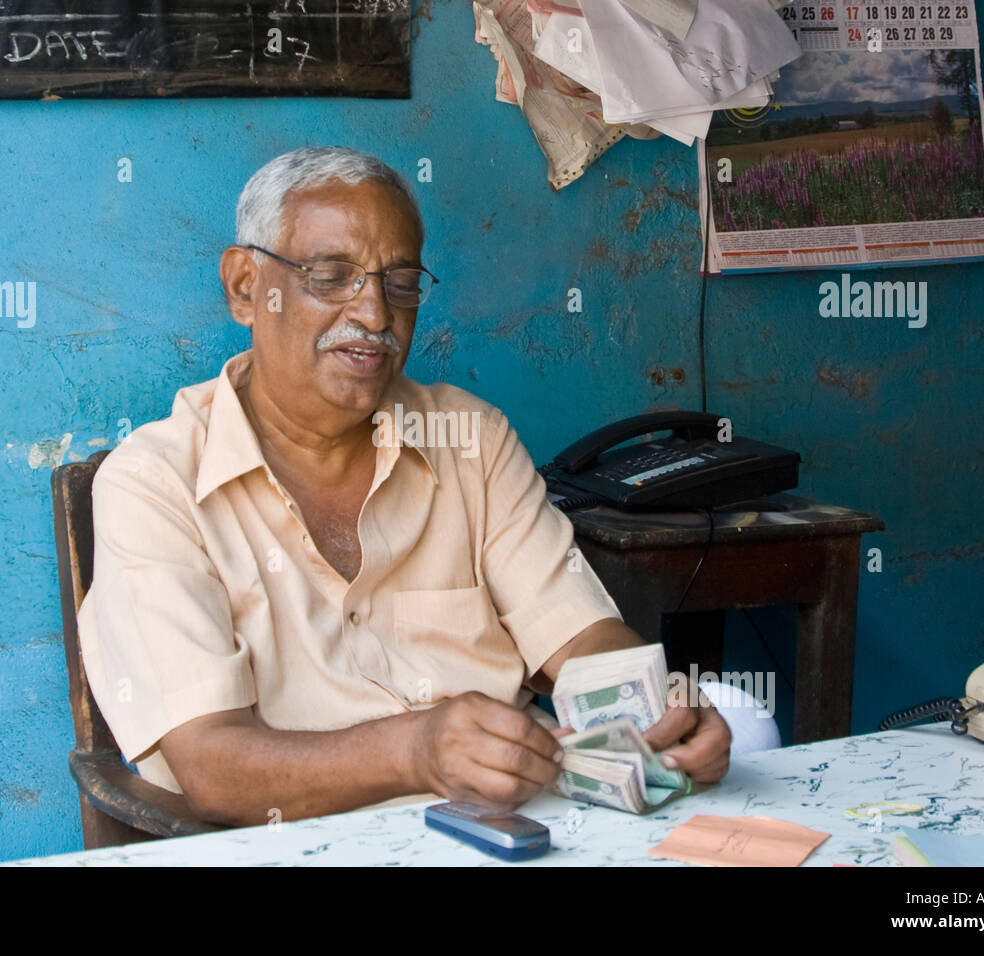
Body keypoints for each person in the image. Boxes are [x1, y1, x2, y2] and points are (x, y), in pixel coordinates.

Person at [77, 146, 731, 827]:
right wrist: (415, 750)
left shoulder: (471, 440)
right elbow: (212, 768)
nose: (375, 314)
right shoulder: (155, 484)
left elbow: (579, 639)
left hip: (510, 833)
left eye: (400, 283)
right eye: (332, 276)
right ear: (246, 286)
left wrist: (662, 704)